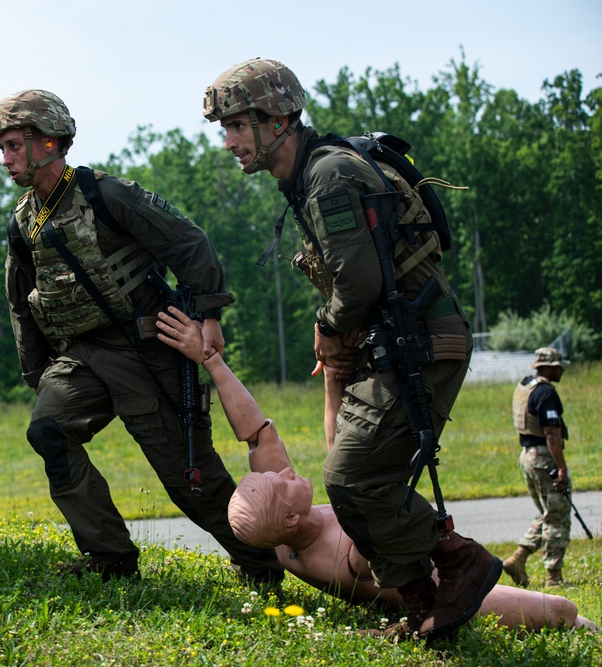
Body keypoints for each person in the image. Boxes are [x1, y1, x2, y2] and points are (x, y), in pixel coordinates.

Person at [202, 58, 500, 640]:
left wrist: (327, 327)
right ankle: (420, 605)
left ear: (278, 119)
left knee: (355, 478)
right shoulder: (307, 180)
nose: (230, 141)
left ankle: (460, 559)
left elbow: (358, 285)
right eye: (226, 129)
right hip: (395, 348)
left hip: (422, 342)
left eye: (238, 126)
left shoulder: (328, 175)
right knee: (356, 480)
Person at [0, 88, 285, 585]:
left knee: (188, 475)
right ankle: (110, 558)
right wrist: (38, 373)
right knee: (48, 431)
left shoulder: (106, 195)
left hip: (146, 347)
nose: (6, 158)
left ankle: (261, 565)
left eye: (15, 144)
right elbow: (21, 300)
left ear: (50, 142)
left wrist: (208, 314)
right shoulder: (23, 222)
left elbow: (188, 241)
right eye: (3, 147)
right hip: (80, 356)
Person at [155, 307, 598, 636]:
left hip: (416, 565)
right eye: (282, 482)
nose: (286, 473)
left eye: (277, 474)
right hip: (439, 588)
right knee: (561, 610)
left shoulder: (285, 528)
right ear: (288, 519)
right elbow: (368, 477)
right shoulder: (339, 553)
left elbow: (258, 435)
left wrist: (211, 360)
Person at [502, 347, 572, 588]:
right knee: (558, 517)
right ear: (548, 366)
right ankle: (554, 578)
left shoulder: (526, 385)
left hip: (527, 456)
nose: (561, 369)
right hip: (543, 458)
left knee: (547, 511)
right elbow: (551, 433)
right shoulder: (545, 393)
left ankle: (518, 559)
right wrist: (561, 468)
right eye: (558, 365)